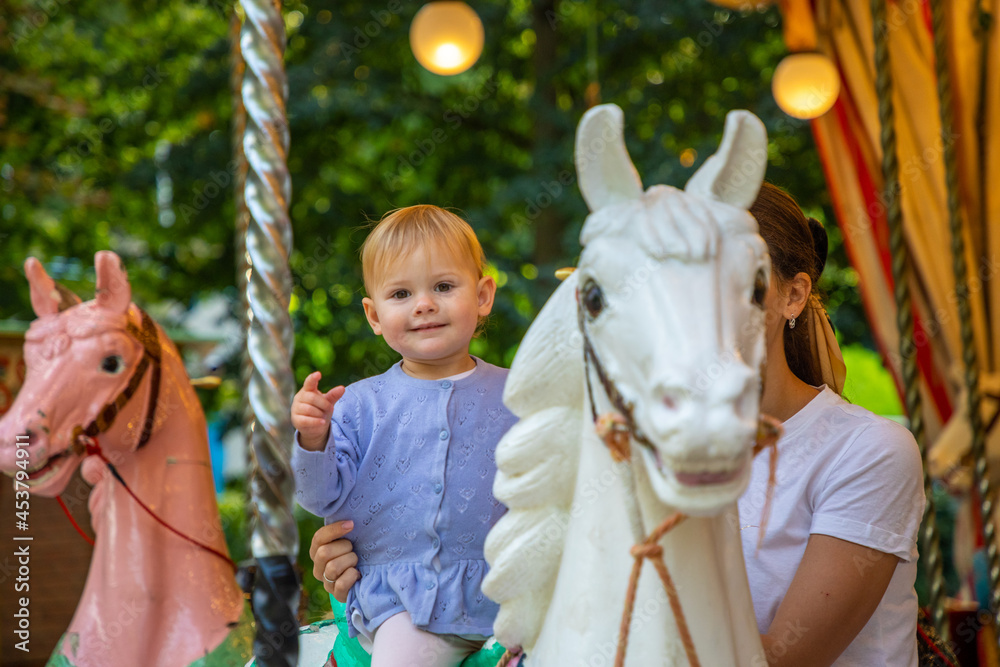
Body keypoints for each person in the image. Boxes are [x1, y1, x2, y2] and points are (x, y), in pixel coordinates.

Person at [311, 184, 925, 667]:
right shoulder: (624, 443)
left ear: (792, 296)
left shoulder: (867, 450)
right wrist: (382, 544)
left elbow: (785, 659)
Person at [291, 205, 518, 667]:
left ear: (483, 295)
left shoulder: (520, 396)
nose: (424, 304)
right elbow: (319, 497)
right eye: (401, 293)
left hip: (512, 594)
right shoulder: (357, 405)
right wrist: (312, 441)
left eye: (443, 286)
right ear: (374, 316)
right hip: (406, 607)